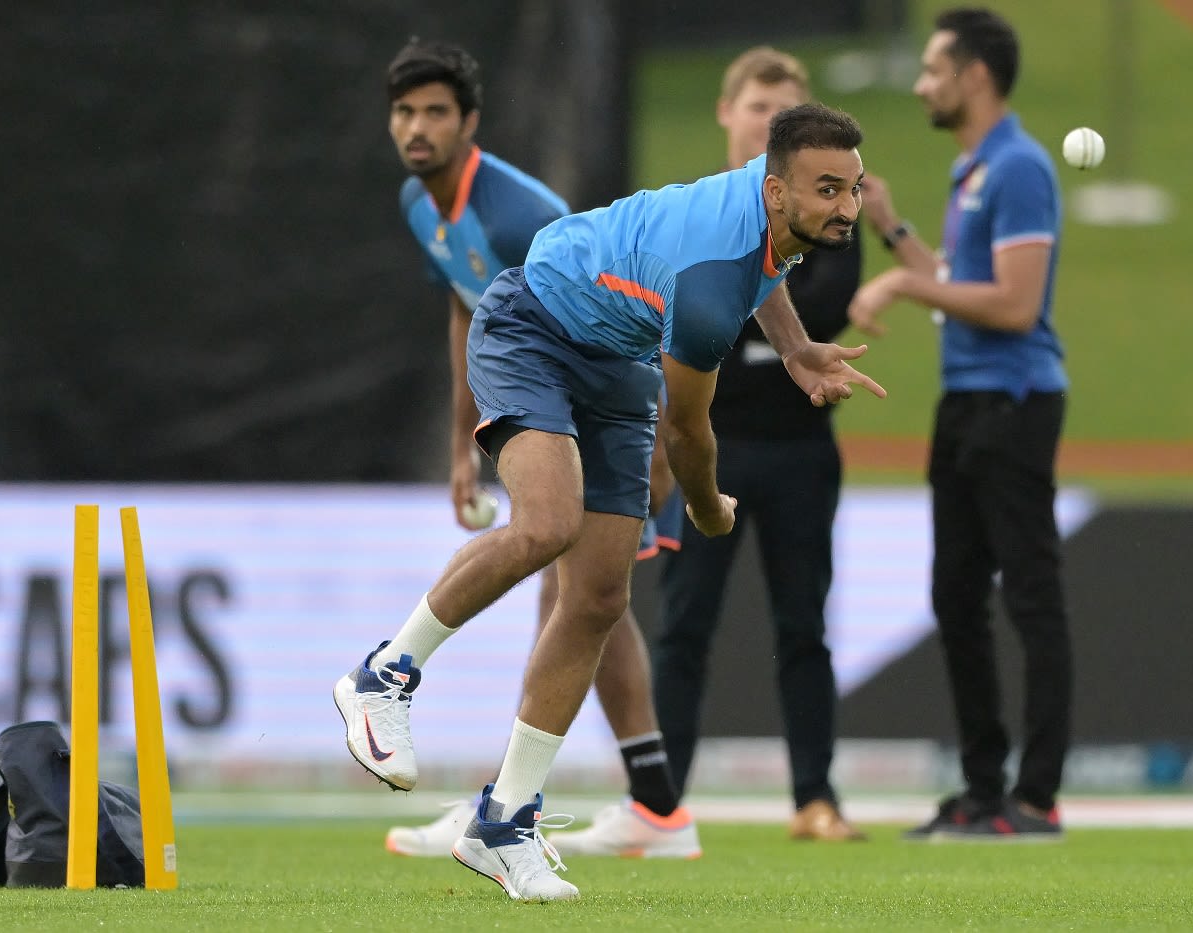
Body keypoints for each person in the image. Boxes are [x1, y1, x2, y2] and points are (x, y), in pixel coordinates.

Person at [338, 97, 883, 900]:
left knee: (596, 596)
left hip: (617, 358)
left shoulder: (766, 209)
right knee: (548, 527)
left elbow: (762, 272)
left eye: (854, 188)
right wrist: (706, 511)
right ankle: (385, 673)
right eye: (827, 190)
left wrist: (797, 349)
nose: (846, 207)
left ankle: (504, 820)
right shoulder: (705, 290)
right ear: (776, 190)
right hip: (533, 328)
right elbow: (692, 434)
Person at [339, 38, 697, 867]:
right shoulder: (419, 202)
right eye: (404, 111)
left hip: (610, 403)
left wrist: (658, 445)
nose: (417, 127)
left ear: (471, 123)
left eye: (435, 111)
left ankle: (520, 803)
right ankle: (596, 805)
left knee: (587, 595)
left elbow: (624, 308)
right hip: (547, 406)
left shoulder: (515, 213)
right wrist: (465, 446)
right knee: (581, 589)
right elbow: (471, 312)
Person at [848, 6, 1070, 841]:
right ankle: (984, 792)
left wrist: (901, 287)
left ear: (973, 76)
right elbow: (962, 282)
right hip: (967, 401)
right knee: (955, 596)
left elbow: (1013, 305)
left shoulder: (1018, 167)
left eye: (933, 69)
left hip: (1014, 399)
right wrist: (895, 233)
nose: (920, 85)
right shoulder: (975, 169)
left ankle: (1036, 796)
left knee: (1031, 598)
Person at [650, 46, 873, 843]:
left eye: (783, 112)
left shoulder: (831, 209)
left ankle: (814, 797)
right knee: (682, 627)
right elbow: (697, 305)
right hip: (704, 439)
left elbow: (829, 300)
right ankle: (659, 801)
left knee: (803, 626)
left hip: (800, 448)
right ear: (726, 112)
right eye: (756, 107)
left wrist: (748, 324)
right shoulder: (702, 210)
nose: (765, 122)